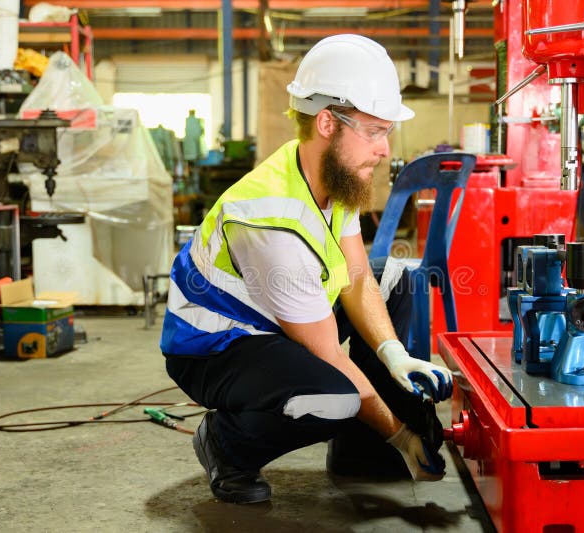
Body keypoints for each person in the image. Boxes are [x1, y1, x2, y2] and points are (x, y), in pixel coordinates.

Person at [161, 34, 454, 505]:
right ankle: (226, 445)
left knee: (395, 277)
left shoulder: (331, 176)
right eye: (374, 131)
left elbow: (357, 276)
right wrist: (400, 433)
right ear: (327, 122)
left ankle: (361, 452)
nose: (385, 149)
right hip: (218, 347)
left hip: (276, 318)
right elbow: (329, 355)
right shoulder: (270, 220)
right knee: (333, 398)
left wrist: (394, 354)